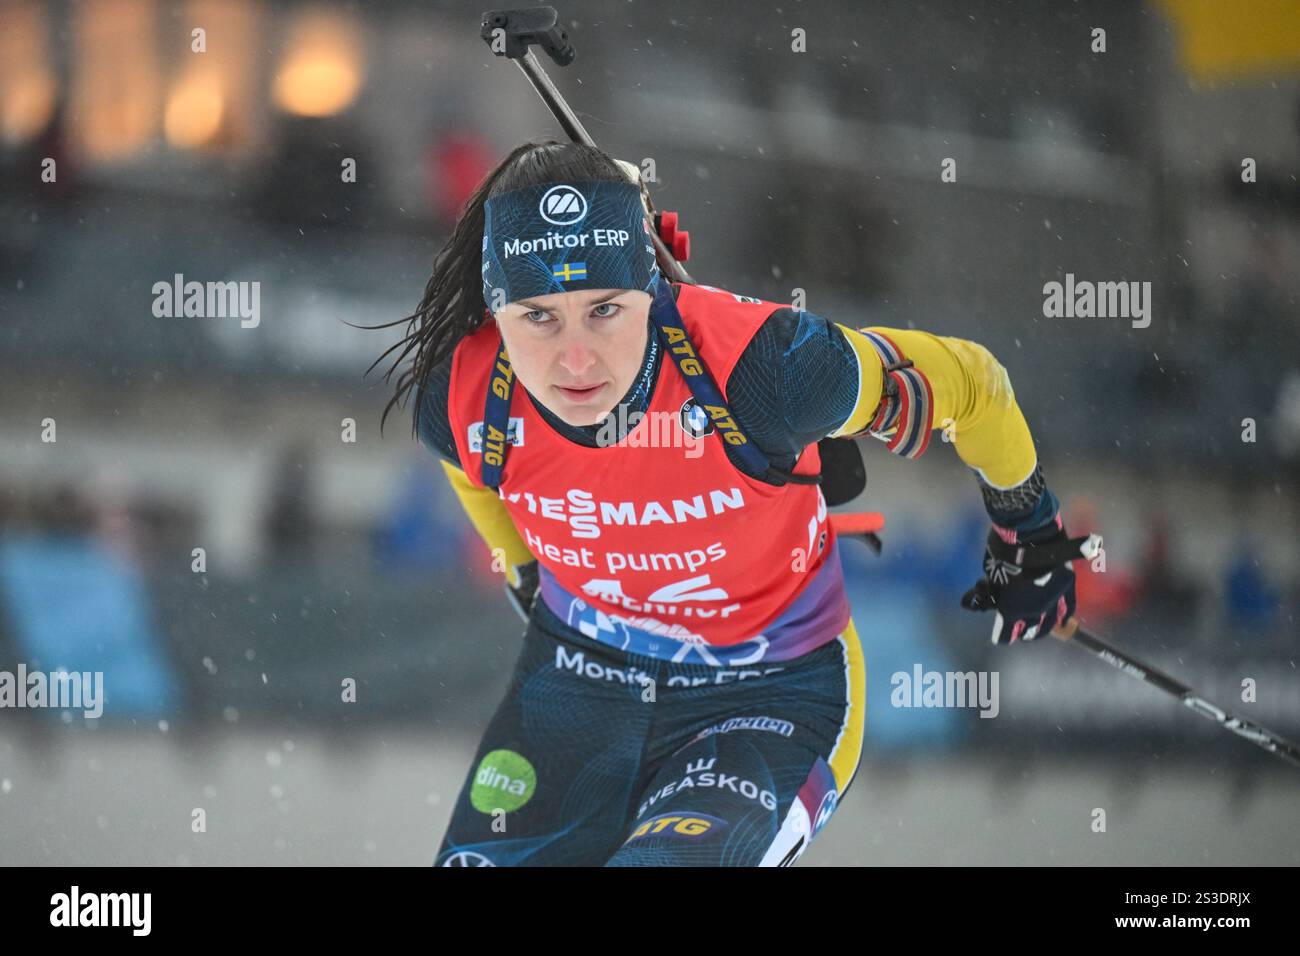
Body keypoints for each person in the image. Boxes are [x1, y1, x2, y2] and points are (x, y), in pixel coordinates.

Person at [374, 139, 1090, 867]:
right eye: (538, 317)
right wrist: (523, 569)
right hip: (580, 685)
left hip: (768, 697)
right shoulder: (458, 394)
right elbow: (471, 468)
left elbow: (974, 382)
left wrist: (1028, 529)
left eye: (605, 310)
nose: (577, 360)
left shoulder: (767, 369)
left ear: (651, 289)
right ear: (495, 311)